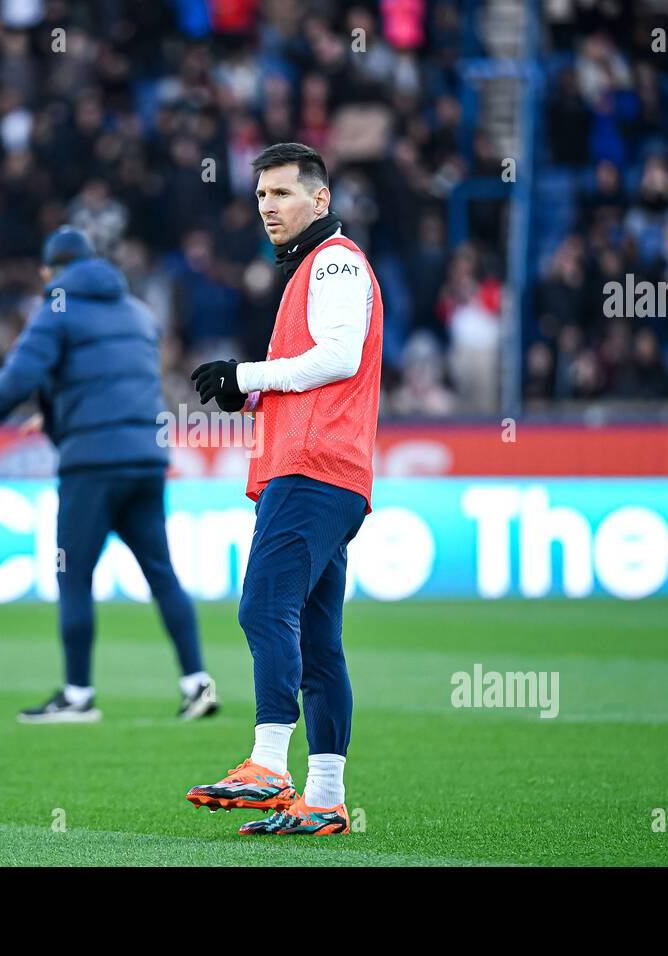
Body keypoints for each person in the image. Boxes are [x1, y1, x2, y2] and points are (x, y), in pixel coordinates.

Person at [186, 143, 383, 836]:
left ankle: (270, 763)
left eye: (283, 194)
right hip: (329, 470)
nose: (268, 207)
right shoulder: (317, 267)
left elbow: (339, 355)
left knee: (262, 607)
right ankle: (325, 797)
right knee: (320, 643)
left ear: (320, 200)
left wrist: (246, 375)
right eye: (262, 195)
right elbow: (322, 369)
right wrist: (248, 397)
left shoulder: (330, 261)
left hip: (311, 469)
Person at [0, 227, 216, 723]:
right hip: (146, 458)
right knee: (162, 573)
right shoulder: (139, 313)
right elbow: (111, 381)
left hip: (92, 464)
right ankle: (196, 683)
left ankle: (78, 696)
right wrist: (55, 414)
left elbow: (20, 375)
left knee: (72, 576)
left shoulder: (55, 310)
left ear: (50, 271)